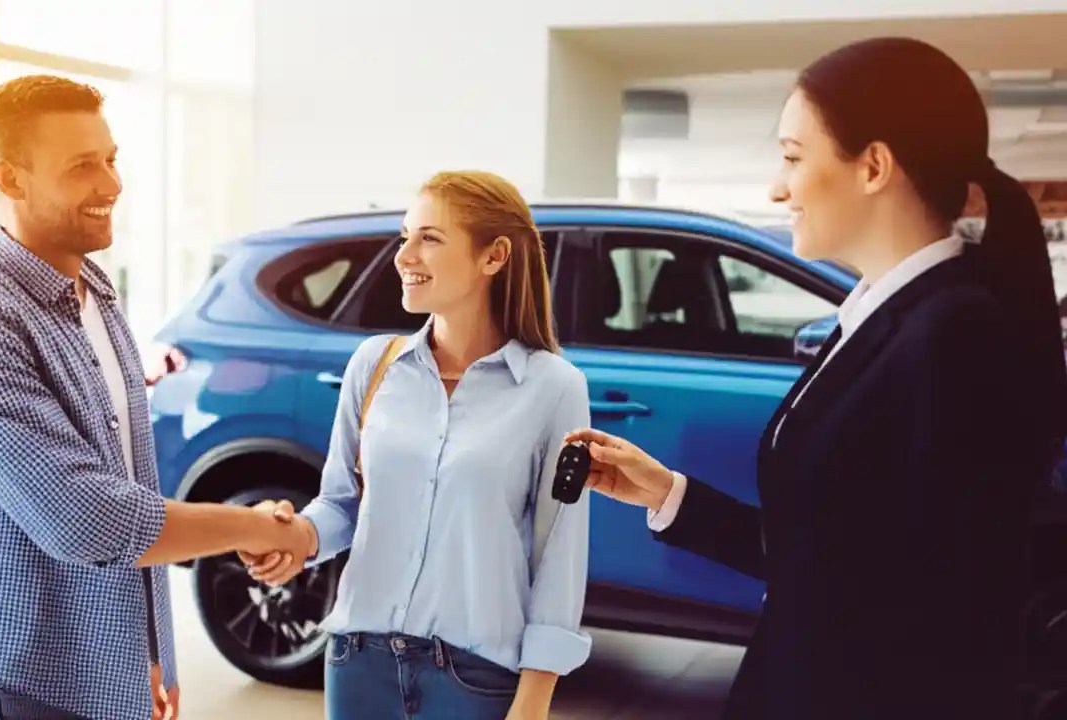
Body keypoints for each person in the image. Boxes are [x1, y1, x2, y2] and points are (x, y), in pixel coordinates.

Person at [567, 37, 1067, 720]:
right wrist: (666, 493)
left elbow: (943, 617)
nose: (777, 188)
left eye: (793, 157)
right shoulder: (881, 315)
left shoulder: (955, 335)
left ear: (874, 166)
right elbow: (834, 553)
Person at [0, 75, 312, 720]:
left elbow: (129, 484)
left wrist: (145, 654)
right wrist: (250, 525)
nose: (112, 184)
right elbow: (85, 515)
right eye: (81, 167)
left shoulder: (95, 292)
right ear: (10, 179)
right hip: (19, 682)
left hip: (106, 671)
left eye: (110, 159)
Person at [241, 170, 592, 719]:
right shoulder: (374, 365)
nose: (404, 256)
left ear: (494, 256)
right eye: (405, 237)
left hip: (475, 676)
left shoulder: (554, 388)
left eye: (429, 238)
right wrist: (295, 538)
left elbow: (559, 555)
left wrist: (534, 700)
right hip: (358, 663)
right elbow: (341, 504)